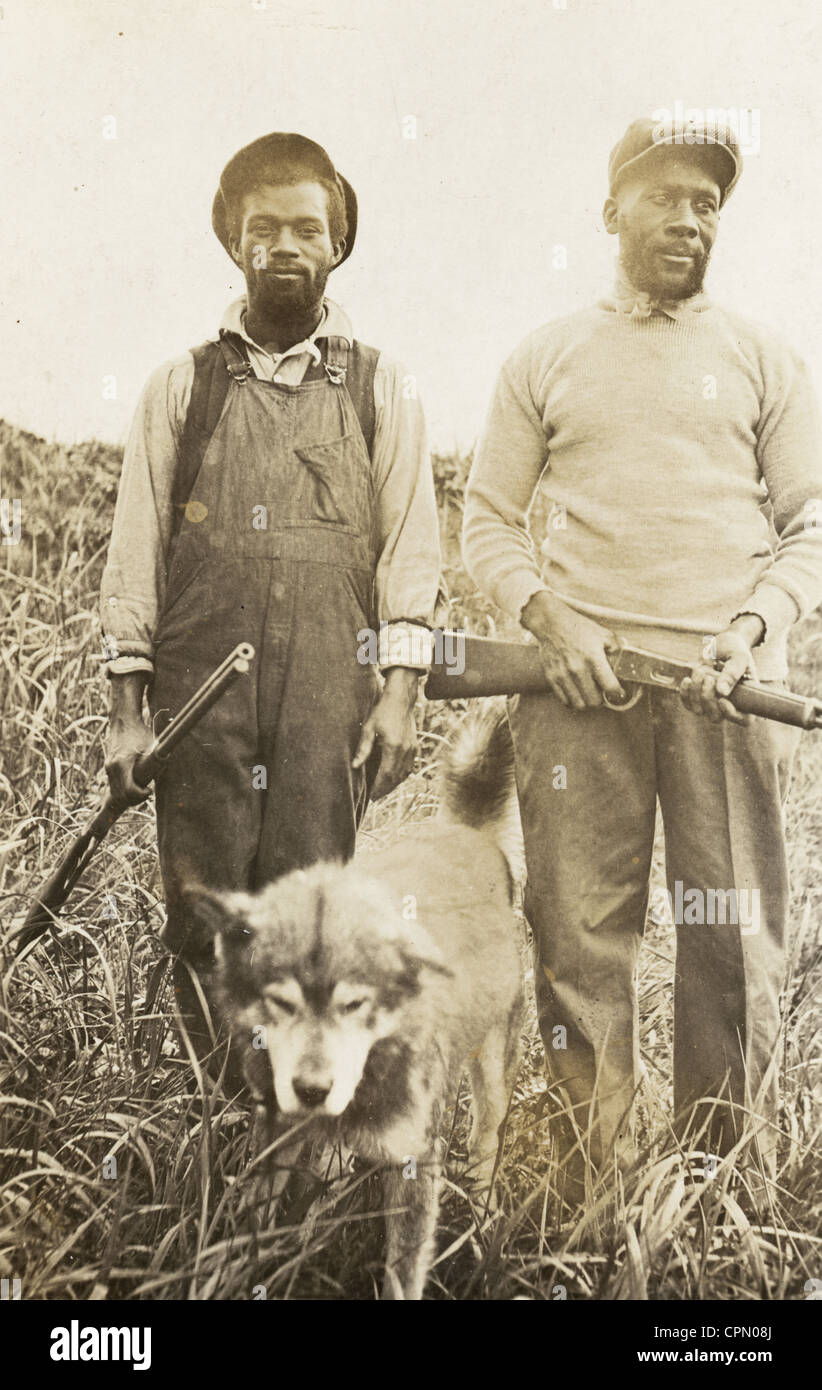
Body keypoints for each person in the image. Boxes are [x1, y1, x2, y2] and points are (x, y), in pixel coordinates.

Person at [463, 116, 822, 1185]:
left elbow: (811, 526)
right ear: (611, 208)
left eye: (707, 203)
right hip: (576, 694)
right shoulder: (547, 354)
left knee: (731, 945)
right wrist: (551, 620)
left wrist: (753, 627)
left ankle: (715, 1196)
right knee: (579, 943)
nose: (687, 217)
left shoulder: (766, 359)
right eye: (664, 195)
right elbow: (486, 518)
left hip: (729, 696)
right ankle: (587, 1198)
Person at [100, 133, 440, 1084]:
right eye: (264, 229)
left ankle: (296, 1128)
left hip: (327, 688)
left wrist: (399, 696)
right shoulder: (184, 387)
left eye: (307, 228)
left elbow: (411, 549)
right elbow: (135, 554)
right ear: (233, 243)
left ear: (337, 245)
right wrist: (128, 715)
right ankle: (224, 1113)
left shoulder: (379, 386)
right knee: (205, 909)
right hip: (199, 691)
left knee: (305, 915)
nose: (285, 246)